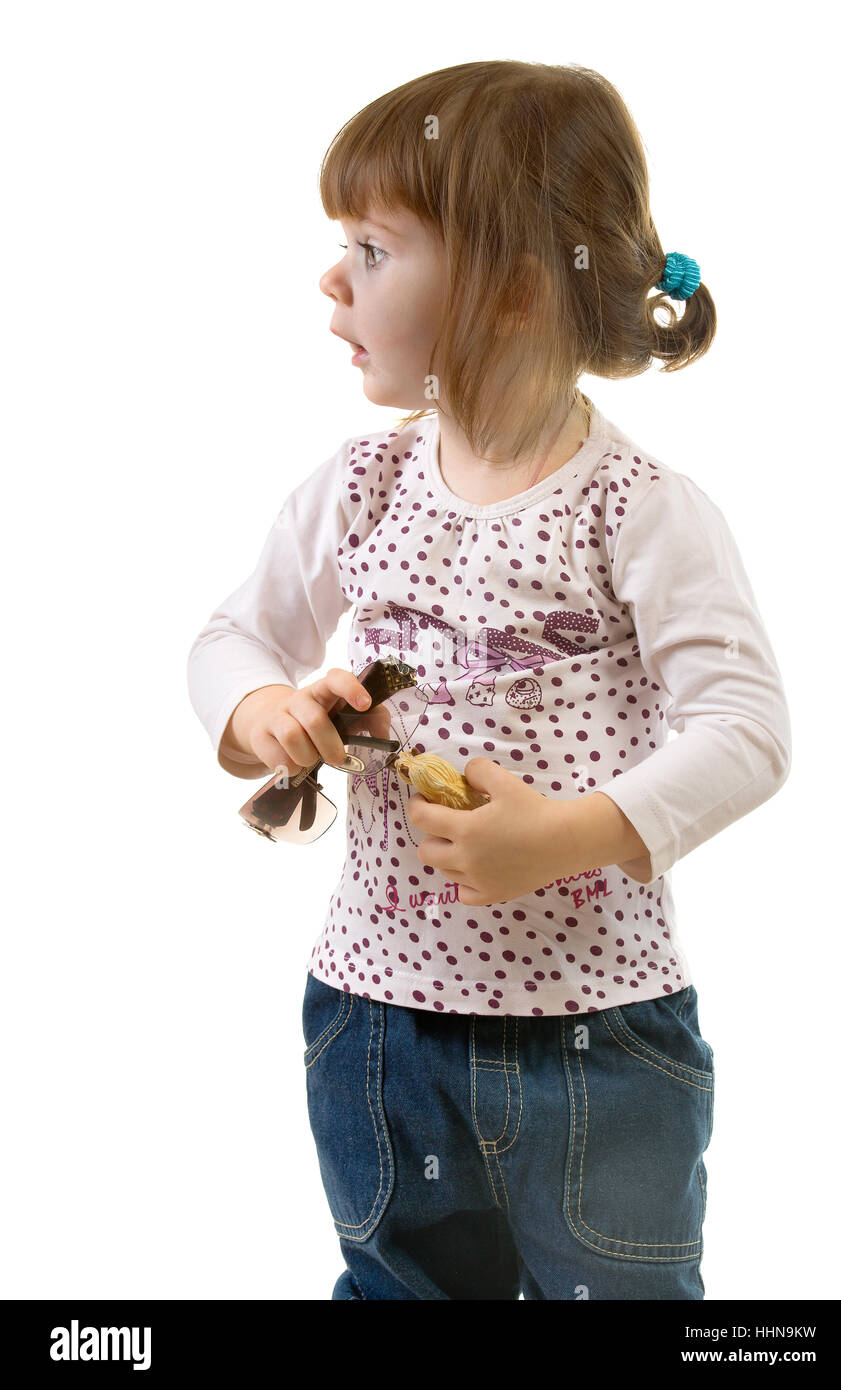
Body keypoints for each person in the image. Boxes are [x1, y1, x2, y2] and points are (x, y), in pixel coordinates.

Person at [187, 61, 792, 1300]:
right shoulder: (360, 488)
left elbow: (744, 728)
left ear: (514, 284)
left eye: (369, 246)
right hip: (375, 1024)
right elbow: (229, 639)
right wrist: (263, 711)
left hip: (597, 1037)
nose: (329, 278)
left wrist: (571, 832)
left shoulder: (637, 512)